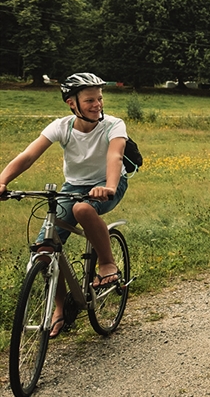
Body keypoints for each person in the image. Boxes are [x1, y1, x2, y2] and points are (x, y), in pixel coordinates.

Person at [0, 73, 129, 338]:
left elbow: (115, 156)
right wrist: (2, 180)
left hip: (107, 183)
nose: (98, 105)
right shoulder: (62, 127)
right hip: (73, 187)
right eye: (90, 100)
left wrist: (110, 187)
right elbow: (28, 156)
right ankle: (58, 310)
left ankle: (107, 264)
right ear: (72, 103)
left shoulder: (114, 125)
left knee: (83, 209)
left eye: (100, 99)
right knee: (46, 250)